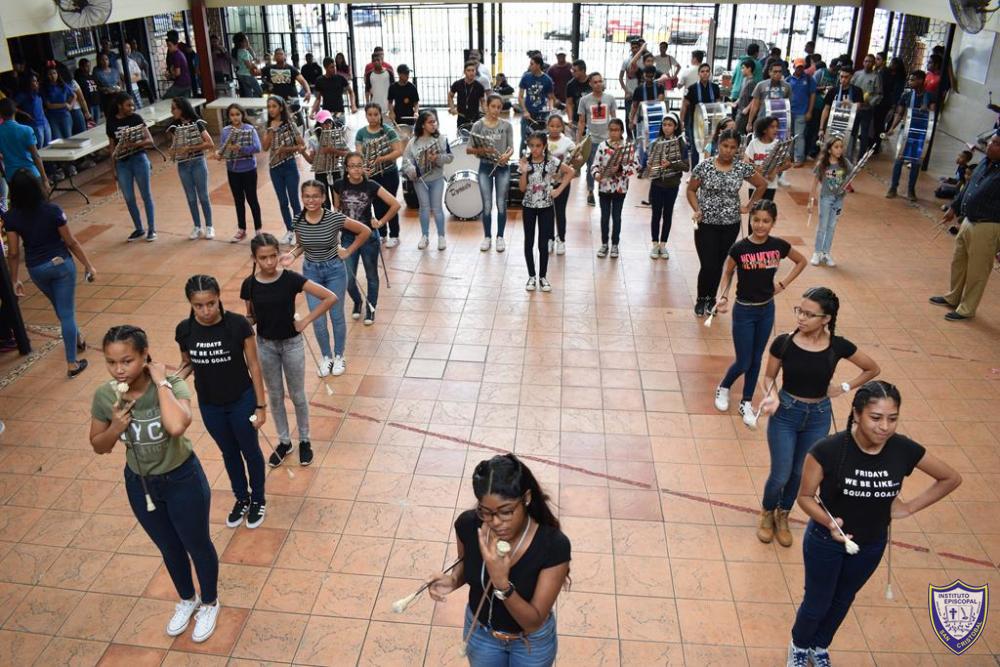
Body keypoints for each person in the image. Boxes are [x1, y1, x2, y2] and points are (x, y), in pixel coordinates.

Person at [787, 381, 961, 666]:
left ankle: (819, 646)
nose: (885, 427)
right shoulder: (827, 450)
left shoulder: (903, 449)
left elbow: (950, 478)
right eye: (876, 418)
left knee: (843, 600)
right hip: (824, 542)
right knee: (817, 602)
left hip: (871, 544)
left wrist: (908, 508)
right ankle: (799, 645)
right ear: (856, 414)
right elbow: (805, 497)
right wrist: (828, 522)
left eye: (893, 419)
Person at [89, 325, 221, 643]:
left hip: (182, 479)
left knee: (197, 545)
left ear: (145, 354)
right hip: (140, 484)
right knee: (169, 547)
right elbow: (99, 445)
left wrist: (161, 380)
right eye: (111, 362)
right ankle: (187, 599)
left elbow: (176, 425)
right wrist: (116, 426)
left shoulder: (171, 384)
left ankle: (210, 603)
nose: (119, 370)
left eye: (128, 360)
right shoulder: (106, 395)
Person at [756, 287, 880, 549]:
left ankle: (784, 514)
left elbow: (872, 368)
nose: (801, 318)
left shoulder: (838, 345)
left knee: (800, 473)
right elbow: (768, 377)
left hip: (819, 415)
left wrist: (844, 387)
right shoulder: (784, 342)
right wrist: (772, 395)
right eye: (800, 311)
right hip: (786, 413)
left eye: (810, 314)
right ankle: (767, 512)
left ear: (826, 319)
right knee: (781, 473)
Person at [427, 454, 571, 667]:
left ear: (527, 498)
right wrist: (454, 579)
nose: (496, 522)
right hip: (482, 634)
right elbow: (466, 562)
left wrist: (501, 583)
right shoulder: (468, 525)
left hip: (530, 644)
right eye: (486, 512)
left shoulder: (553, 545)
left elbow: (533, 622)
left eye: (506, 512)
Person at [176, 275, 269, 529]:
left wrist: (261, 406)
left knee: (249, 450)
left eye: (211, 303)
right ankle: (242, 498)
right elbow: (187, 364)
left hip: (242, 400)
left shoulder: (238, 325)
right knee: (229, 453)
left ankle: (258, 498)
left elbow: (254, 366)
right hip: (210, 405)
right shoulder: (184, 330)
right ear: (190, 304)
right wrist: (169, 381)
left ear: (219, 299)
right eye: (198, 305)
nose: (205, 311)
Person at [241, 234, 336, 467]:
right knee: (274, 395)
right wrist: (244, 325)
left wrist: (306, 321)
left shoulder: (291, 279)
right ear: (254, 258)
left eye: (273, 256)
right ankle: (285, 441)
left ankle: (304, 440)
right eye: (263, 258)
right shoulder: (249, 285)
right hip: (266, 345)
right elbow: (251, 315)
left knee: (297, 395)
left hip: (292, 344)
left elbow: (329, 297)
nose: (270, 262)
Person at [713, 200, 807, 427]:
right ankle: (724, 386)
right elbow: (727, 272)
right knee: (744, 360)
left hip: (766, 309)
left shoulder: (778, 246)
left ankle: (746, 401)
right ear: (750, 220)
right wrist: (723, 297)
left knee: (756, 359)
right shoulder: (739, 248)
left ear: (773, 223)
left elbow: (801, 261)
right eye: (756, 220)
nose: (760, 225)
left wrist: (782, 285)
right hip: (744, 310)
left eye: (766, 221)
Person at [3, 169, 94, 377]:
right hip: (61, 265)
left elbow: (14, 253)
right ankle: (72, 363)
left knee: (60, 309)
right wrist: (88, 265)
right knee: (67, 313)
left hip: (36, 269)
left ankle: (77, 338)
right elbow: (70, 241)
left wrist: (15, 278)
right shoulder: (53, 210)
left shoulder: (11, 217)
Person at [281, 180, 371, 376]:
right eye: (306, 196)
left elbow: (365, 231)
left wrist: (349, 251)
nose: (311, 200)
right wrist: (292, 255)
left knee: (336, 316)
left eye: (315, 196)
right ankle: (326, 357)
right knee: (318, 319)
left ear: (323, 198)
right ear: (302, 197)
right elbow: (301, 245)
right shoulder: (297, 220)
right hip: (311, 273)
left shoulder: (334, 218)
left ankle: (339, 356)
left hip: (334, 271)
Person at [686, 128, 768, 316]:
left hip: (730, 224)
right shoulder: (704, 166)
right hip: (706, 223)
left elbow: (762, 184)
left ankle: (711, 300)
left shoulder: (741, 168)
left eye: (732, 147)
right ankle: (701, 299)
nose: (728, 150)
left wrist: (748, 207)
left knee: (719, 263)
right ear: (718, 145)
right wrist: (697, 209)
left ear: (737, 149)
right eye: (725, 146)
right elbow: (691, 190)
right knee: (708, 264)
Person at [929, 133, 1000, 321]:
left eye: (995, 144)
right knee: (958, 261)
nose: (990, 145)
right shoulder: (985, 163)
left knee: (978, 269)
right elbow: (969, 187)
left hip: (988, 225)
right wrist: (954, 207)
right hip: (968, 221)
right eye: (991, 141)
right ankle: (953, 296)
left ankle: (967, 308)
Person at [333, 152, 401, 322]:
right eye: (352, 166)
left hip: (369, 236)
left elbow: (395, 204)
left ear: (364, 166)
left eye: (359, 165)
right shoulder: (338, 185)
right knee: (348, 279)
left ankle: (371, 307)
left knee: (371, 275)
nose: (356, 169)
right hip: (348, 236)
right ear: (346, 168)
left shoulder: (371, 185)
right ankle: (357, 301)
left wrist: (381, 222)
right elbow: (337, 207)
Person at [518, 131, 573, 292]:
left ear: (544, 146)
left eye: (538, 146)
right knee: (529, 241)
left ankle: (543, 276)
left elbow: (570, 172)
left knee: (544, 244)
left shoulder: (551, 162)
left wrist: (559, 190)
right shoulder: (524, 162)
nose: (534, 149)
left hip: (546, 207)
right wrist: (523, 172)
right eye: (531, 146)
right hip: (528, 206)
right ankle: (531, 276)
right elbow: (522, 188)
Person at [402, 111, 454, 251]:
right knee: (424, 208)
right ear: (423, 125)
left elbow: (450, 157)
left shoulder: (442, 139)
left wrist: (437, 158)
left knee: (437, 208)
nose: (434, 124)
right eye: (431, 122)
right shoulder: (413, 142)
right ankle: (424, 236)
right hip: (420, 181)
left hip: (436, 179)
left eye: (435, 121)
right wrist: (412, 171)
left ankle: (441, 237)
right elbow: (405, 162)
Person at [107, 92, 156, 242]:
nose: (132, 108)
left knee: (146, 194)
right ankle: (139, 228)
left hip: (139, 159)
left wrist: (134, 144)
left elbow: (150, 141)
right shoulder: (111, 122)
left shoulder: (136, 118)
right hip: (122, 163)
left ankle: (152, 229)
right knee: (128, 197)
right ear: (119, 106)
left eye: (133, 105)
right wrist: (113, 168)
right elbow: (111, 147)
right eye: (128, 105)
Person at [354, 103, 404, 246]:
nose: (373, 117)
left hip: (389, 173)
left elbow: (398, 151)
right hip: (372, 175)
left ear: (380, 115)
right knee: (376, 204)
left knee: (390, 204)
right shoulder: (361, 133)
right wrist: (363, 168)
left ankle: (394, 234)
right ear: (366, 115)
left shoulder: (388, 131)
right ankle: (382, 233)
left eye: (376, 114)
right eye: (370, 114)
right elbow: (358, 153)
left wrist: (381, 158)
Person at [469, 94, 515, 253]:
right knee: (487, 204)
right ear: (486, 107)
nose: (496, 110)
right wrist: (484, 150)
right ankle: (487, 236)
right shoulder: (477, 126)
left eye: (499, 107)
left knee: (501, 203)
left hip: (502, 167)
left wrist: (506, 156)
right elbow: (469, 149)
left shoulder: (507, 125)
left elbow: (511, 148)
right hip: (485, 166)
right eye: (493, 106)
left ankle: (500, 237)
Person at [167, 97, 215, 240]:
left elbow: (210, 143)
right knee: (191, 197)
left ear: (182, 108)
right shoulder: (174, 126)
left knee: (203, 196)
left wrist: (191, 148)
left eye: (174, 108)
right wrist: (173, 151)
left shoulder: (197, 122)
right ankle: (197, 226)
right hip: (183, 164)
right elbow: (174, 146)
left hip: (198, 162)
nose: (172, 111)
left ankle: (209, 226)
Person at [885, 70, 936, 202]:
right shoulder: (906, 95)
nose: (910, 82)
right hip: (906, 131)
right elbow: (899, 113)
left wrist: (928, 110)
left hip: (921, 133)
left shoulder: (930, 96)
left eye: (913, 79)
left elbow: (933, 114)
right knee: (899, 159)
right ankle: (893, 187)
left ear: (920, 81)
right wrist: (892, 128)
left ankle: (911, 189)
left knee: (916, 162)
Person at [214, 103, 262, 242]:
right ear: (229, 117)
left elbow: (257, 148)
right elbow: (222, 149)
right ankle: (242, 229)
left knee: (252, 199)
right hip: (233, 170)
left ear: (242, 115)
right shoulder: (225, 131)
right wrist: (220, 154)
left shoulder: (250, 129)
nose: (235, 117)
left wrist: (241, 148)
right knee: (238, 200)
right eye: (232, 115)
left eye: (237, 114)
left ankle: (258, 229)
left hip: (249, 170)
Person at [591, 118, 638, 259]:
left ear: (622, 131)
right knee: (604, 217)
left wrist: (621, 169)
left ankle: (615, 244)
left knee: (616, 217)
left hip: (620, 189)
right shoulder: (602, 146)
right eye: (611, 130)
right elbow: (594, 165)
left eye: (617, 130)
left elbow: (635, 166)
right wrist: (597, 174)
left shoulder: (628, 147)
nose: (613, 132)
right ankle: (604, 244)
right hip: (604, 188)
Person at [261, 96, 305, 245]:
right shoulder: (268, 126)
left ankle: (299, 232)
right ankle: (289, 230)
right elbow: (265, 147)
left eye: (274, 106)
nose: (271, 109)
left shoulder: (290, 125)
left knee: (294, 201)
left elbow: (301, 145)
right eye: (269, 107)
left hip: (289, 165)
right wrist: (271, 133)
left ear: (280, 108)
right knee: (282, 201)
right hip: (274, 168)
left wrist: (286, 149)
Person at [646, 111, 688, 260]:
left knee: (668, 214)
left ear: (676, 127)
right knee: (656, 214)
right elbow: (649, 164)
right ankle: (654, 244)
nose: (666, 127)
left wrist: (671, 164)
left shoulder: (681, 143)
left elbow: (686, 166)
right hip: (657, 184)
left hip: (672, 185)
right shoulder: (656, 142)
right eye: (664, 124)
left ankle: (663, 245)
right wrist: (651, 164)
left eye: (670, 125)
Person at [809, 136, 853, 267]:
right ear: (829, 150)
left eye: (841, 147)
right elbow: (814, 183)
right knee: (822, 226)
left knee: (832, 226)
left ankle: (826, 252)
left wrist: (847, 185)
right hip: (826, 198)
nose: (839, 150)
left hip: (839, 200)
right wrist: (810, 201)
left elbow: (852, 175)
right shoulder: (823, 164)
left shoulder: (845, 163)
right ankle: (817, 252)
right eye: (836, 147)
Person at [576, 72, 617, 206]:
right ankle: (590, 191)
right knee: (591, 167)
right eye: (595, 82)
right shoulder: (584, 100)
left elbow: (614, 120)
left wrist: (617, 138)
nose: (599, 84)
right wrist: (578, 142)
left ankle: (608, 191)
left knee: (609, 166)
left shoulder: (610, 98)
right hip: (592, 140)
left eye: (600, 81)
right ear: (590, 84)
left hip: (607, 140)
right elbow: (581, 122)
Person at [302, 110, 349, 206]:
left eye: (329, 122)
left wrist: (333, 151)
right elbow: (312, 161)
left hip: (335, 171)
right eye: (324, 123)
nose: (327, 125)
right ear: (319, 124)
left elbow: (348, 154)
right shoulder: (313, 140)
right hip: (320, 172)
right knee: (324, 202)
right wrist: (303, 152)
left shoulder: (337, 136)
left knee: (339, 201)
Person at [679, 63, 720, 168]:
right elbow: (684, 105)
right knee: (695, 147)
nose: (705, 73)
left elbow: (717, 105)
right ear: (699, 74)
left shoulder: (715, 88)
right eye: (702, 71)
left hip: (710, 123)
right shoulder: (691, 88)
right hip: (694, 123)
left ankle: (708, 169)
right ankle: (695, 172)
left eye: (707, 71)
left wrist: (718, 121)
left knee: (710, 146)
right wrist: (681, 122)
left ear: (710, 73)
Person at [544, 115, 575, 256]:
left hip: (562, 183)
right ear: (547, 126)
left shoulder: (567, 141)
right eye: (552, 126)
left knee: (560, 212)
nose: (555, 129)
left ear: (562, 127)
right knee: (548, 213)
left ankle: (561, 240)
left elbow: (577, 155)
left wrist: (578, 158)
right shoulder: (542, 140)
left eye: (558, 126)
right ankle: (549, 239)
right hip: (545, 184)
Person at [745, 116, 791, 210]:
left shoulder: (778, 144)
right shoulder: (754, 143)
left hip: (771, 185)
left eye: (777, 126)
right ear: (764, 129)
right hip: (755, 185)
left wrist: (776, 170)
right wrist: (757, 167)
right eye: (772, 127)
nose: (776, 129)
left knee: (766, 212)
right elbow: (745, 161)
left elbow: (788, 163)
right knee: (753, 212)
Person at [0, 99, 46, 187]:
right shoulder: (26, 130)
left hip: (12, 176)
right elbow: (36, 156)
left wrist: (5, 175)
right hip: (31, 173)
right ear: (15, 111)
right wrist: (45, 179)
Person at [818, 68, 863, 158]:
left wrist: (851, 104)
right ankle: (831, 171)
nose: (843, 79)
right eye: (841, 77)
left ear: (851, 77)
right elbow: (826, 109)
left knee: (847, 154)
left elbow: (859, 106)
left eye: (846, 77)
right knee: (830, 154)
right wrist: (821, 128)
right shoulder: (833, 91)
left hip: (850, 129)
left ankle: (845, 171)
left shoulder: (857, 91)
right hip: (833, 127)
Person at [518, 55, 555, 153]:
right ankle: (522, 162)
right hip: (528, 114)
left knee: (542, 140)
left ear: (538, 65)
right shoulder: (526, 77)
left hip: (541, 115)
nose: (529, 66)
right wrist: (525, 111)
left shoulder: (547, 80)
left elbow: (551, 98)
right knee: (525, 140)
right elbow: (520, 96)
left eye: (532, 64)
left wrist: (550, 110)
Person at [785, 59, 816, 166]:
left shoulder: (808, 79)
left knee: (799, 136)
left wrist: (809, 111)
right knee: (789, 135)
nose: (800, 69)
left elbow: (812, 95)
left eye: (802, 67)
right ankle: (790, 156)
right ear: (794, 67)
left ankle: (798, 158)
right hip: (789, 112)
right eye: (798, 67)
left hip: (802, 113)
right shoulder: (788, 79)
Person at [851, 54, 882, 159]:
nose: (867, 63)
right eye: (866, 61)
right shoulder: (857, 74)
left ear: (873, 64)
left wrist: (871, 103)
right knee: (852, 132)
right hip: (855, 108)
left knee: (864, 134)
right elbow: (851, 88)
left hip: (867, 109)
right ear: (863, 62)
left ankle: (861, 156)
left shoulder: (876, 76)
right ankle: (849, 153)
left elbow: (879, 94)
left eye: (870, 61)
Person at [745, 61, 791, 132]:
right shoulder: (761, 85)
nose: (778, 74)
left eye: (780, 72)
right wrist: (749, 122)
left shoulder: (787, 86)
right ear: (770, 72)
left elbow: (788, 106)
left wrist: (788, 125)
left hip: (779, 122)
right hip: (762, 119)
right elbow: (755, 106)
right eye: (775, 72)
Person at [15, 74, 50, 149]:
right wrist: (24, 113)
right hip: (34, 124)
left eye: (37, 81)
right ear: (28, 83)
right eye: (34, 81)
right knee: (39, 148)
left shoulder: (38, 92)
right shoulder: (23, 95)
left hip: (44, 122)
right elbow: (12, 106)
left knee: (48, 146)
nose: (36, 83)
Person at [449, 61, 487, 128]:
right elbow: (450, 96)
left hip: (475, 117)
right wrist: (452, 108)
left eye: (473, 70)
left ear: (475, 72)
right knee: (462, 136)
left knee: (475, 137)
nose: (471, 73)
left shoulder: (479, 86)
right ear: (464, 72)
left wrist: (487, 113)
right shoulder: (458, 84)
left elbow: (483, 101)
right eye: (468, 70)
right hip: (461, 116)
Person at [628, 65, 665, 133]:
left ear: (654, 75)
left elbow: (660, 102)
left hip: (656, 118)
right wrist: (631, 120)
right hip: (642, 118)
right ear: (643, 75)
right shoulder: (638, 89)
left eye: (651, 76)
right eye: (647, 76)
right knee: (642, 139)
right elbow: (634, 106)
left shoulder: (660, 87)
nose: (649, 78)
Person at [41, 66, 74, 141]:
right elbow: (49, 106)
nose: (52, 76)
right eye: (50, 74)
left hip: (65, 115)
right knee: (58, 139)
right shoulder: (45, 88)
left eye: (54, 73)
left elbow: (74, 95)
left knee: (69, 138)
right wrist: (65, 104)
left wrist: (71, 105)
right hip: (53, 117)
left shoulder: (62, 85)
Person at [93, 53, 122, 118]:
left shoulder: (114, 70)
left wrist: (119, 88)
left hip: (117, 95)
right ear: (99, 61)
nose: (105, 61)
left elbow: (119, 82)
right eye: (102, 60)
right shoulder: (97, 72)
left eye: (106, 59)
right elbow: (96, 86)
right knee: (111, 117)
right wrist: (106, 89)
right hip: (106, 98)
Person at [564, 59, 591, 128]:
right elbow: (569, 103)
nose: (572, 73)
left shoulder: (592, 81)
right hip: (577, 119)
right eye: (572, 70)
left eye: (575, 71)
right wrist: (570, 119)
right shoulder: (570, 84)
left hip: (592, 118)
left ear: (583, 71)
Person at [74, 58, 101, 123]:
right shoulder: (79, 79)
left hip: (96, 102)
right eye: (86, 66)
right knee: (90, 123)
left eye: (89, 66)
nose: (88, 68)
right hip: (88, 104)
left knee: (96, 121)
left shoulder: (92, 76)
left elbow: (97, 87)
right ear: (81, 67)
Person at [733, 60, 756, 134]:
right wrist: (736, 102)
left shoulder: (752, 82)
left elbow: (755, 99)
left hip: (745, 113)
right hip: (740, 109)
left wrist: (747, 108)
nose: (741, 70)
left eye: (743, 68)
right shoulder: (744, 80)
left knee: (739, 132)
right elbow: (742, 95)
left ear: (749, 69)